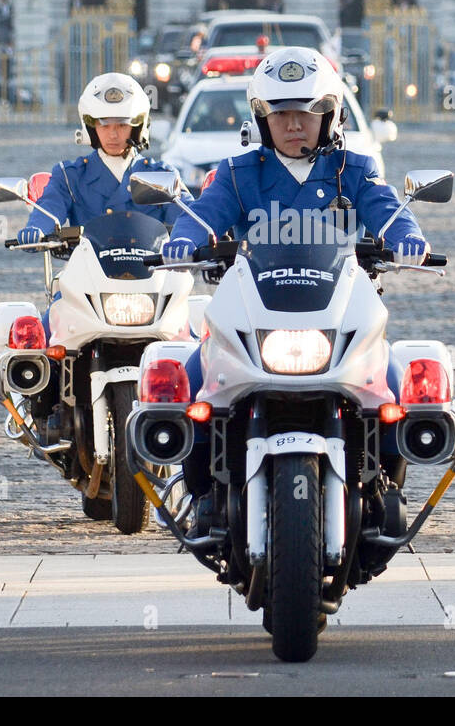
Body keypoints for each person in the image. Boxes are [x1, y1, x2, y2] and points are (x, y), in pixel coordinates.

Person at [161, 46, 430, 499]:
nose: (293, 125)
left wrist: (409, 237)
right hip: (257, 307)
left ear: (330, 117)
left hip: (337, 310)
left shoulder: (356, 169)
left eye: (307, 113)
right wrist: (184, 238)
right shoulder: (235, 173)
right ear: (261, 118)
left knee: (397, 384)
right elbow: (204, 214)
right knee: (189, 379)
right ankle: (202, 488)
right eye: (281, 114)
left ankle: (384, 481)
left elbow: (388, 210)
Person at [17, 71, 191, 340]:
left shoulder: (161, 173)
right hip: (87, 281)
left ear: (137, 126)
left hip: (152, 281)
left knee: (190, 341)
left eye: (121, 125)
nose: (113, 134)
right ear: (91, 127)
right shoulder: (69, 174)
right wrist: (37, 227)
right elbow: (50, 205)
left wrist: (193, 237)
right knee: (41, 340)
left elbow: (186, 214)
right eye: (104, 124)